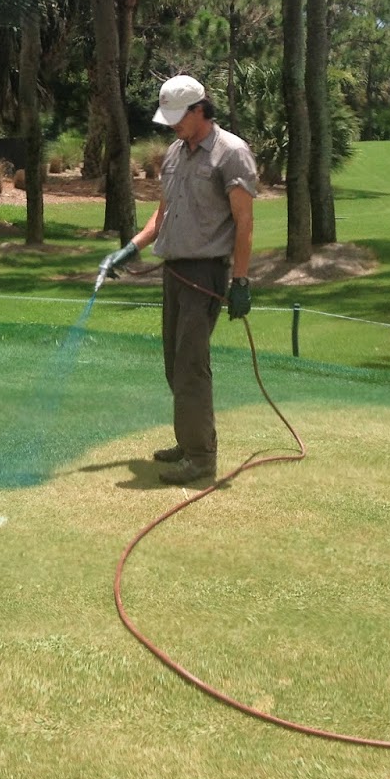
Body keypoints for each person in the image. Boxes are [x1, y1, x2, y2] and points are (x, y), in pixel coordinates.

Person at [99, 75, 256, 485]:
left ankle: (201, 459)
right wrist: (130, 248)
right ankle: (189, 442)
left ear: (200, 110)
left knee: (191, 367)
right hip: (174, 272)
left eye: (177, 118)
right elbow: (162, 214)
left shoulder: (231, 153)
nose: (171, 126)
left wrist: (240, 281)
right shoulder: (174, 153)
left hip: (206, 274)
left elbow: (244, 223)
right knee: (174, 364)